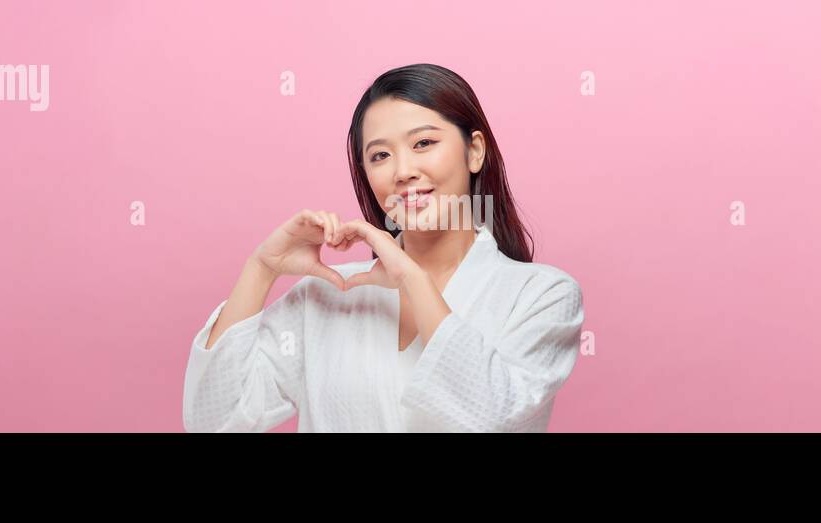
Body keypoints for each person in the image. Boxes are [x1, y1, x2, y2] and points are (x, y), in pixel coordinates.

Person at [182, 64, 584, 432]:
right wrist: (261, 268)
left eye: (423, 142)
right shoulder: (328, 293)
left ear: (474, 150)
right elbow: (213, 420)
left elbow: (494, 415)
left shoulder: (542, 295)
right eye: (380, 155)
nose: (403, 171)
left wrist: (410, 277)